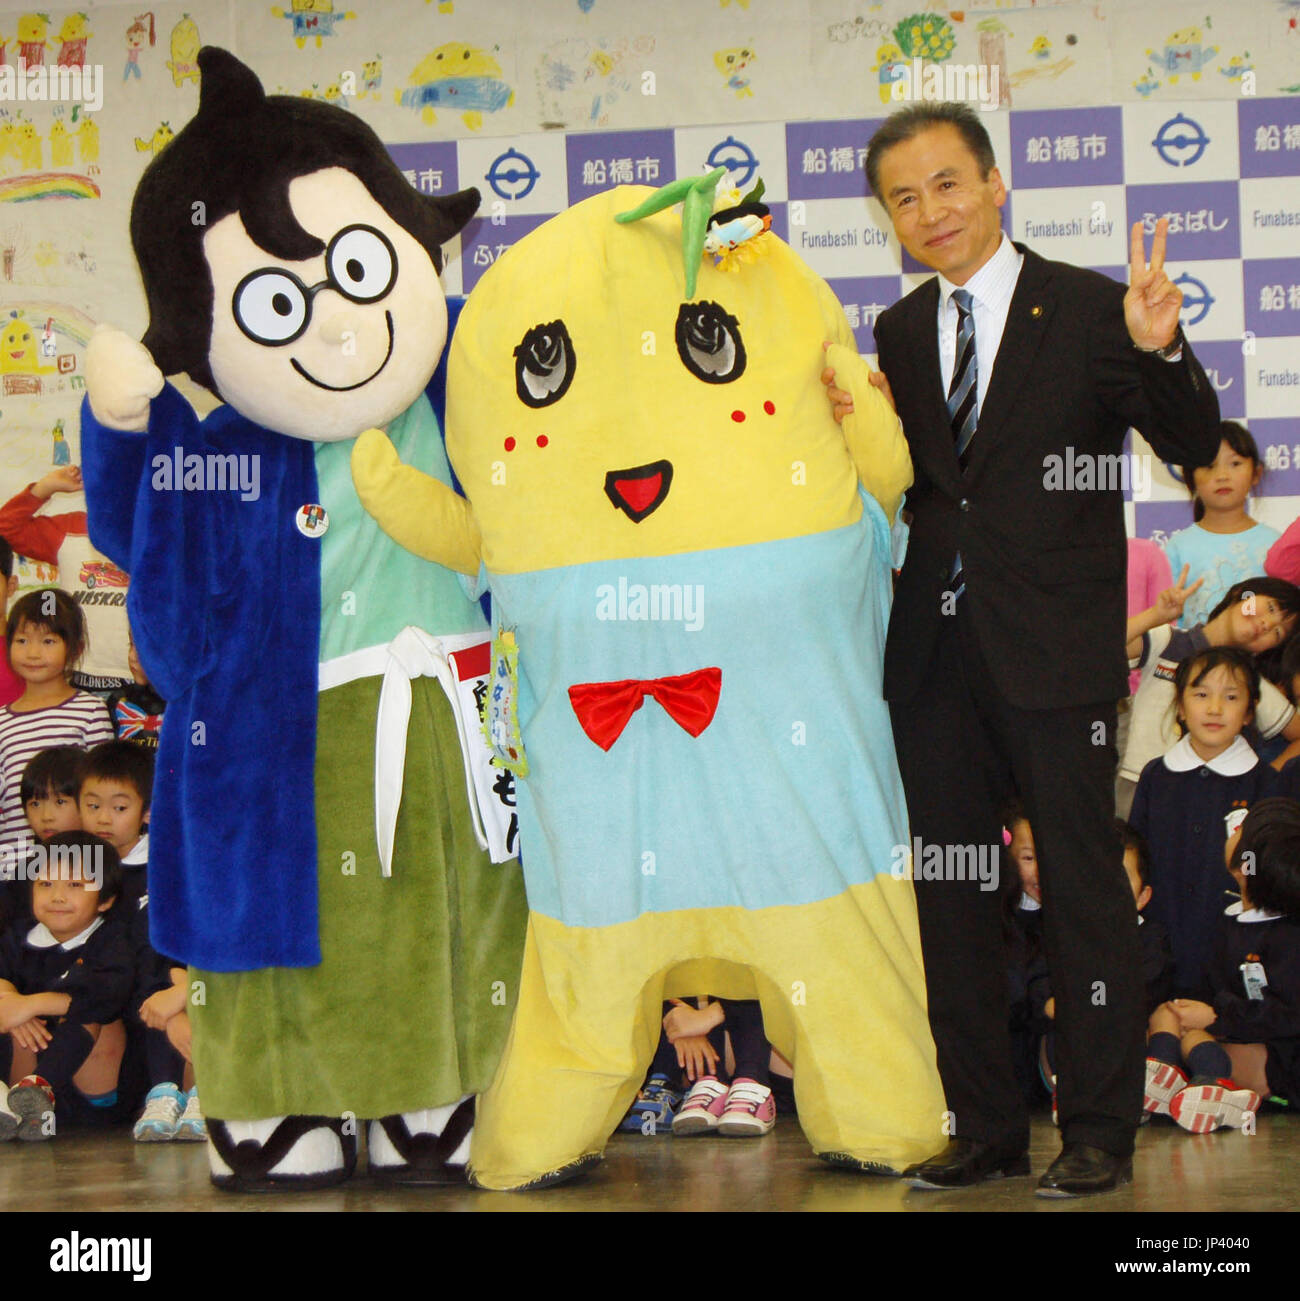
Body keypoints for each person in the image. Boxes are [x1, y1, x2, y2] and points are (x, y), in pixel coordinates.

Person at [823, 101, 1221, 1196]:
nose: (929, 211)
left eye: (946, 184)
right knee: (954, 892)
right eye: (903, 198)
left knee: (1084, 892)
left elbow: (1193, 446)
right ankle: (984, 1125)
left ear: (995, 184)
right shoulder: (899, 332)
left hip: (1053, 656)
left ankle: (1097, 1127)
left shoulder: (1094, 307)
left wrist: (1162, 348)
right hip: (934, 660)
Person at [1144, 798, 1300, 1131]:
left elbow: (1286, 1015)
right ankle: (1159, 1074)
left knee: (1211, 1040)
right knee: (1167, 1015)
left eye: (1240, 831)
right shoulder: (1229, 921)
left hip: (1274, 1055)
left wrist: (1219, 1016)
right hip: (1232, 1031)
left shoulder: (1287, 935)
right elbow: (1213, 985)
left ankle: (1213, 1086)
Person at [1129, 648, 1274, 999]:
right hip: (1158, 952)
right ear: (1180, 706)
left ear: (1249, 712)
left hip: (1229, 956)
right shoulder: (1156, 776)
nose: (1214, 708)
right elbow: (1136, 860)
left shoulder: (1267, 784)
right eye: (1201, 694)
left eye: (1231, 697)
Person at [77, 740, 201, 1141]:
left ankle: (190, 1095)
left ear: (147, 811)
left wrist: (180, 987)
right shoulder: (75, 866)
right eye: (92, 805)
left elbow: (177, 941)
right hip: (115, 1001)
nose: (103, 819)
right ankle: (163, 1093)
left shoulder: (168, 864)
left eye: (119, 807)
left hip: (166, 985)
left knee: (168, 1000)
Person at [1121, 576, 1300, 804]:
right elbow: (1103, 645)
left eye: (1277, 633)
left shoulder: (1250, 681)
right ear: (1242, 593)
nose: (1266, 624)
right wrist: (1155, 616)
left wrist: (1262, 780)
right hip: (1136, 782)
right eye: (1271, 608)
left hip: (1207, 799)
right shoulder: (1168, 641)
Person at [0, 831, 131, 1139]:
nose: (57, 896)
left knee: (90, 1011)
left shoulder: (112, 938)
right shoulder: (18, 937)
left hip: (93, 1088)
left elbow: (106, 996)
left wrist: (30, 1004)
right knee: (6, 1007)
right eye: (45, 884)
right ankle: (16, 1106)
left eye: (74, 885)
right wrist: (8, 1000)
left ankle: (40, 1087)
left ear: (106, 899)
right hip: (23, 1079)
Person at [0, 590, 113, 854]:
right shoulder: (2, 720)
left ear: (75, 649)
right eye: (22, 640)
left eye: (48, 641)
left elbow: (103, 789)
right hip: (15, 862)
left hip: (78, 859)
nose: (33, 652)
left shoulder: (90, 711)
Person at [0, 466, 131, 691]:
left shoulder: (157, 535)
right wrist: (45, 488)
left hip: (142, 677)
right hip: (78, 676)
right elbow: (7, 529)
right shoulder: (69, 529)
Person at [1165, 422, 1277, 630]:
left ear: (1256, 473)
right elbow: (1168, 626)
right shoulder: (1177, 548)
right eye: (1209, 466)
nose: (1222, 476)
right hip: (1198, 660)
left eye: (1235, 464)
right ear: (1190, 477)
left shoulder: (1275, 545)